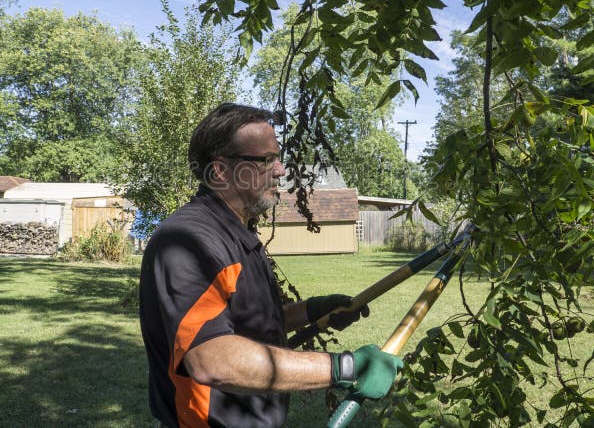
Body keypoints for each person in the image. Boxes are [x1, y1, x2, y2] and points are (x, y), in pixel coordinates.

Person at [139, 103, 403, 427]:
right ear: (221, 171)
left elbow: (247, 322)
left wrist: (313, 310)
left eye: (277, 158)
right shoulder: (188, 242)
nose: (280, 171)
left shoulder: (238, 234)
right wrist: (344, 368)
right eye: (266, 160)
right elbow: (212, 359)